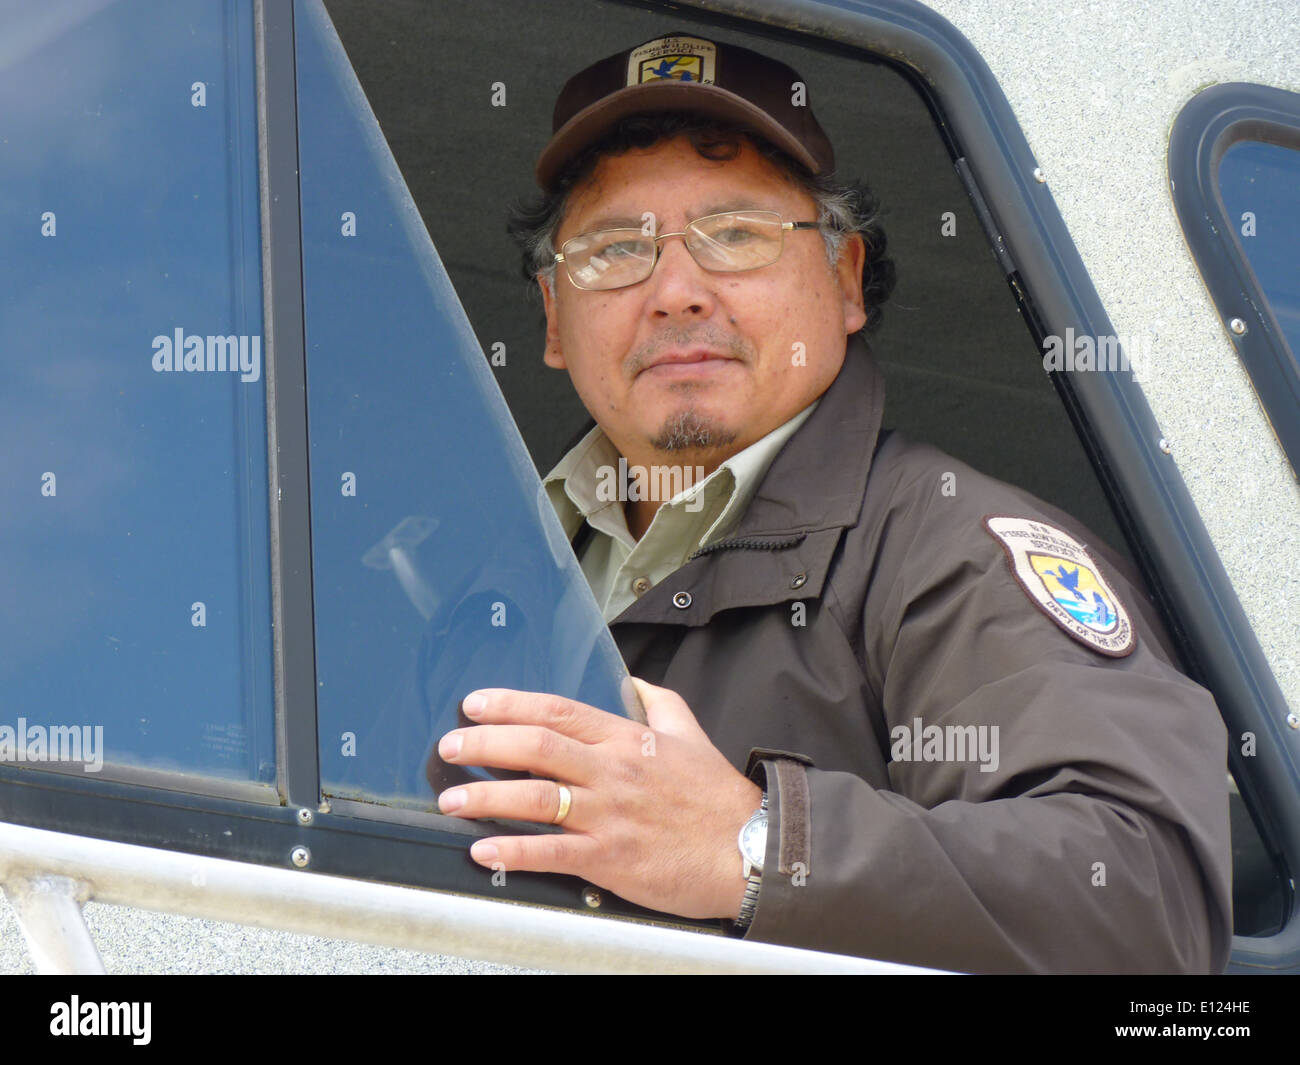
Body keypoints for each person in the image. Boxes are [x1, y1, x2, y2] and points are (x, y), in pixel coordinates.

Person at [429, 33, 1232, 972]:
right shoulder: (492, 583)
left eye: (736, 235)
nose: (677, 292)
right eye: (614, 249)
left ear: (845, 281)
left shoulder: (948, 545)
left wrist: (763, 845)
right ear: (554, 316)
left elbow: (1146, 904)